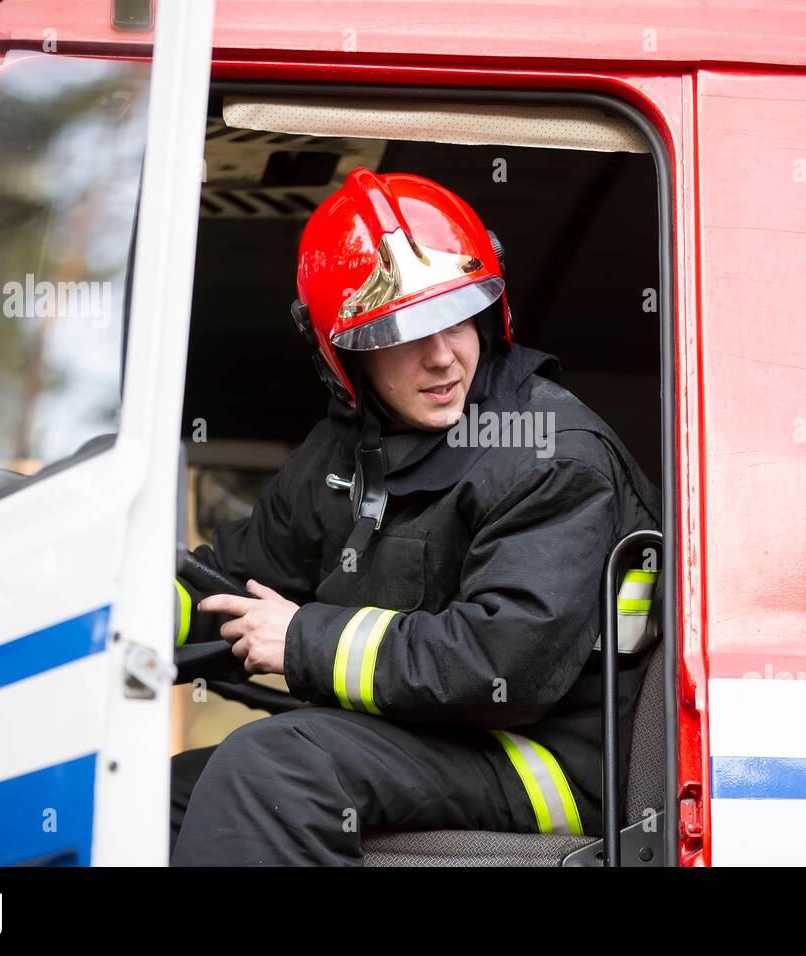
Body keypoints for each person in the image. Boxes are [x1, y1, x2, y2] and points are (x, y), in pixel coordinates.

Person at [169, 167, 661, 865]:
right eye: (401, 332)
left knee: (271, 768)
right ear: (343, 356)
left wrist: (307, 639)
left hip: (544, 758)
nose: (440, 356)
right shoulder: (341, 451)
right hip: (433, 734)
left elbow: (504, 667)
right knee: (170, 797)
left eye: (456, 318)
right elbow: (241, 582)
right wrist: (143, 613)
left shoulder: (552, 452)